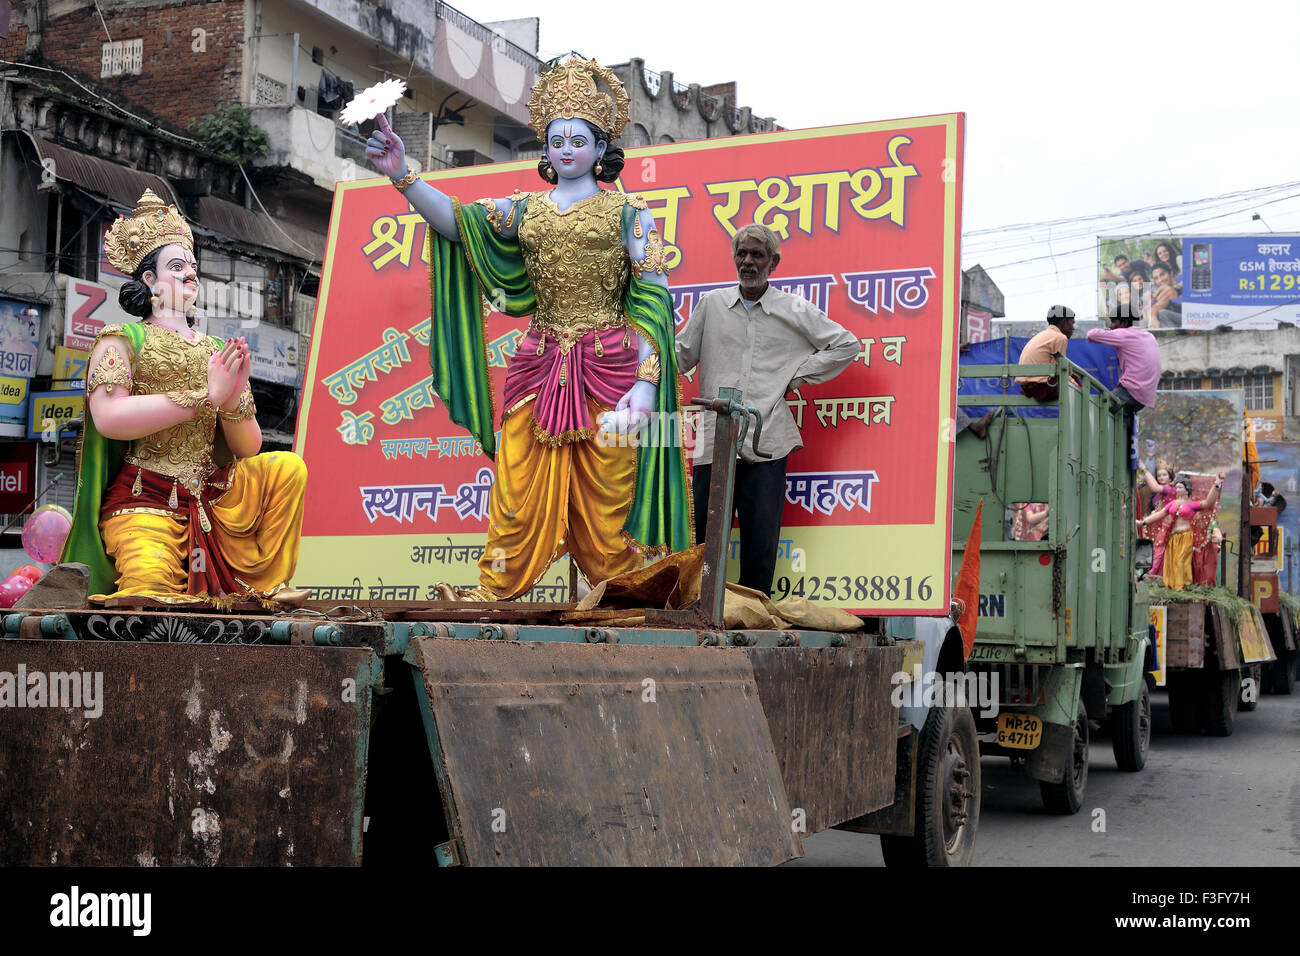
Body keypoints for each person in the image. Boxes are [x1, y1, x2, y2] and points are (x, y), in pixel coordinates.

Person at [364, 57, 690, 601]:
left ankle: (632, 593)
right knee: (514, 481)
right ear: (545, 146)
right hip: (537, 364)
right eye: (556, 139)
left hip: (609, 365)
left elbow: (654, 296)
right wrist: (403, 175)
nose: (565, 148)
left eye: (578, 139)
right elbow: (457, 221)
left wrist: (648, 382)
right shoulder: (524, 211)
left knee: (612, 489)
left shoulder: (631, 214)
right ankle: (495, 586)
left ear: (600, 146)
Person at [60, 189, 310, 605]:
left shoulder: (216, 350)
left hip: (213, 496)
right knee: (149, 591)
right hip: (146, 498)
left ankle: (266, 585)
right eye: (177, 267)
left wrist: (230, 401)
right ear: (150, 280)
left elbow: (248, 446)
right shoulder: (121, 340)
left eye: (193, 266)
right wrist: (205, 396)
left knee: (288, 468)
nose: (191, 274)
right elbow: (108, 417)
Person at [675, 223, 859, 595]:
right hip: (714, 443)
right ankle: (696, 611)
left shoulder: (793, 308)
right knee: (703, 543)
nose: (748, 262)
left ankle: (751, 619)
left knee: (759, 547)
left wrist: (795, 376)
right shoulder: (711, 304)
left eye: (757, 254)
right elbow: (679, 357)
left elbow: (846, 345)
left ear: (773, 263)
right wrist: (640, 349)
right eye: (741, 254)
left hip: (767, 442)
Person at [1139, 472, 1224, 590]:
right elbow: (1159, 514)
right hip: (1173, 538)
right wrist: (1144, 522)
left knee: (1181, 561)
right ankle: (1172, 587)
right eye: (1177, 487)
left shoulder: (1192, 505)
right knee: (1172, 562)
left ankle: (1182, 586)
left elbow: (1208, 502)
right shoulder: (1172, 504)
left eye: (1180, 487)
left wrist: (1217, 484)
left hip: (1186, 537)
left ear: (1186, 489)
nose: (1177, 489)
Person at [1085, 310, 1161, 414]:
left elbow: (1091, 335)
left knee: (1094, 411)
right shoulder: (1149, 336)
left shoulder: (1124, 334)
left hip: (1130, 392)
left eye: (1113, 322)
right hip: (1144, 398)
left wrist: (1108, 331)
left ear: (1124, 323)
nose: (1111, 326)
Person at [1015, 305, 1075, 401]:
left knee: (1073, 379)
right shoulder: (1060, 337)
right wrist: (1076, 385)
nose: (1073, 328)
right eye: (1072, 323)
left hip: (1027, 388)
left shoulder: (1042, 335)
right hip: (1042, 387)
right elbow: (1061, 369)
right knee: (1077, 385)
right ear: (1063, 322)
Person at [1137, 459, 1177, 575]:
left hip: (1165, 528)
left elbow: (1154, 486)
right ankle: (1142, 574)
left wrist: (1143, 468)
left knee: (1158, 553)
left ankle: (1151, 576)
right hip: (1153, 526)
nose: (1161, 478)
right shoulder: (1156, 494)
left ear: (1170, 477)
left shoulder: (1172, 490)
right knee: (1147, 548)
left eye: (1164, 475)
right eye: (1159, 475)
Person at [1148, 262, 1182, 328]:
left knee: (1162, 313)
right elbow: (1156, 307)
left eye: (1162, 274)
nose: (1160, 280)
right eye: (1156, 278)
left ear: (1171, 273)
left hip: (1196, 318)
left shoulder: (1182, 279)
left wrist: (1177, 289)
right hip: (1179, 322)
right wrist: (1153, 318)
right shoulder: (1162, 292)